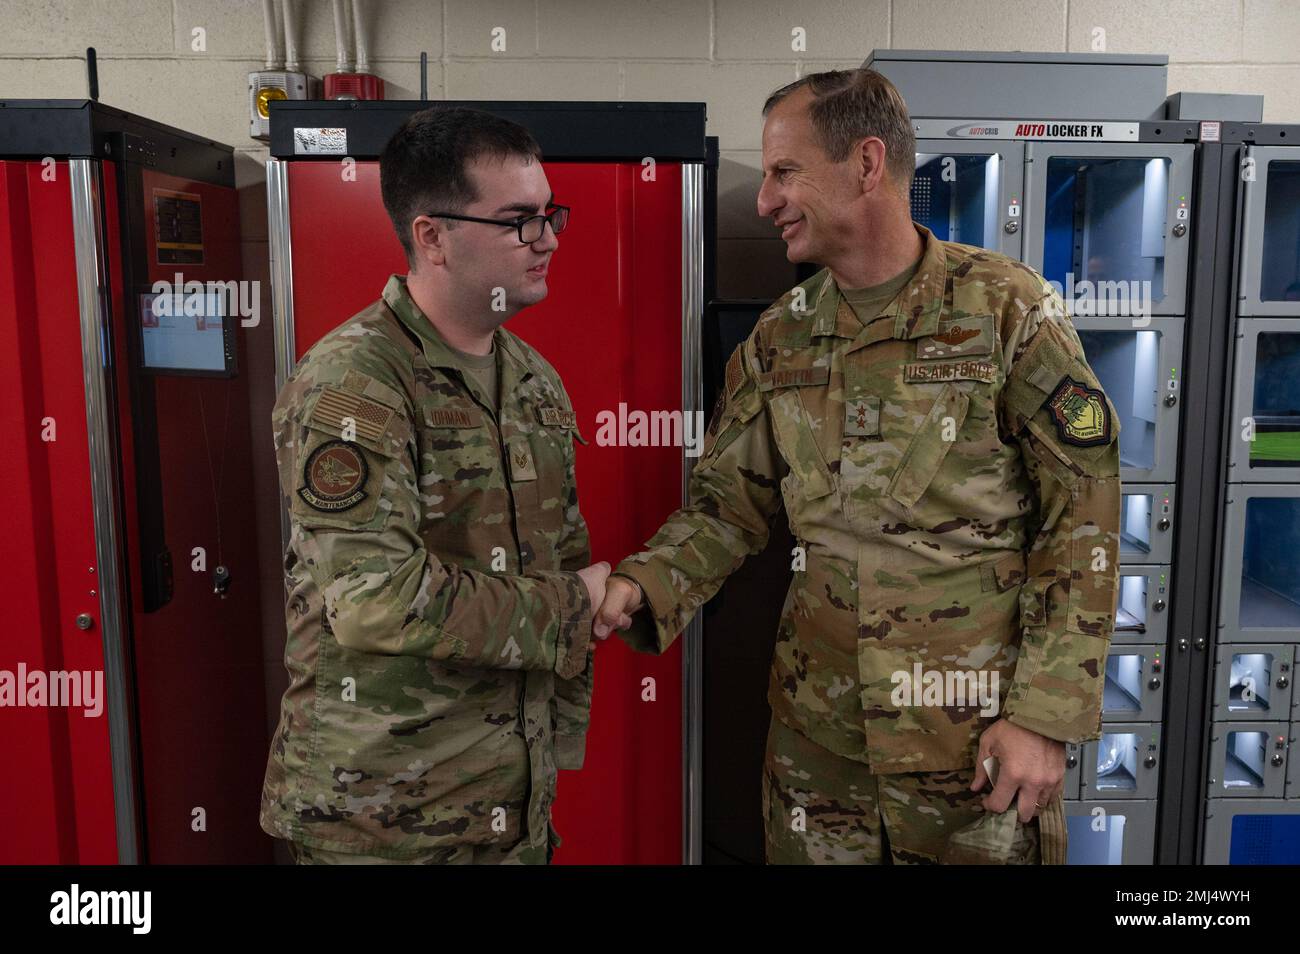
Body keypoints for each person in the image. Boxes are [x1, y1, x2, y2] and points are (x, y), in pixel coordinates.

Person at [595, 69, 1122, 864]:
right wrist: (642, 585)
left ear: (867, 164)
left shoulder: (1005, 310)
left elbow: (1082, 518)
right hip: (821, 748)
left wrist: (1046, 717)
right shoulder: (781, 337)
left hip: (973, 748)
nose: (767, 200)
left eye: (784, 172)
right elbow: (725, 508)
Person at [259, 106, 612, 865]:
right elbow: (373, 599)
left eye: (550, 214)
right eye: (518, 219)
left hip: (510, 800)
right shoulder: (354, 384)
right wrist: (571, 608)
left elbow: (562, 553)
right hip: (387, 820)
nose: (547, 238)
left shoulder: (532, 381)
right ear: (433, 237)